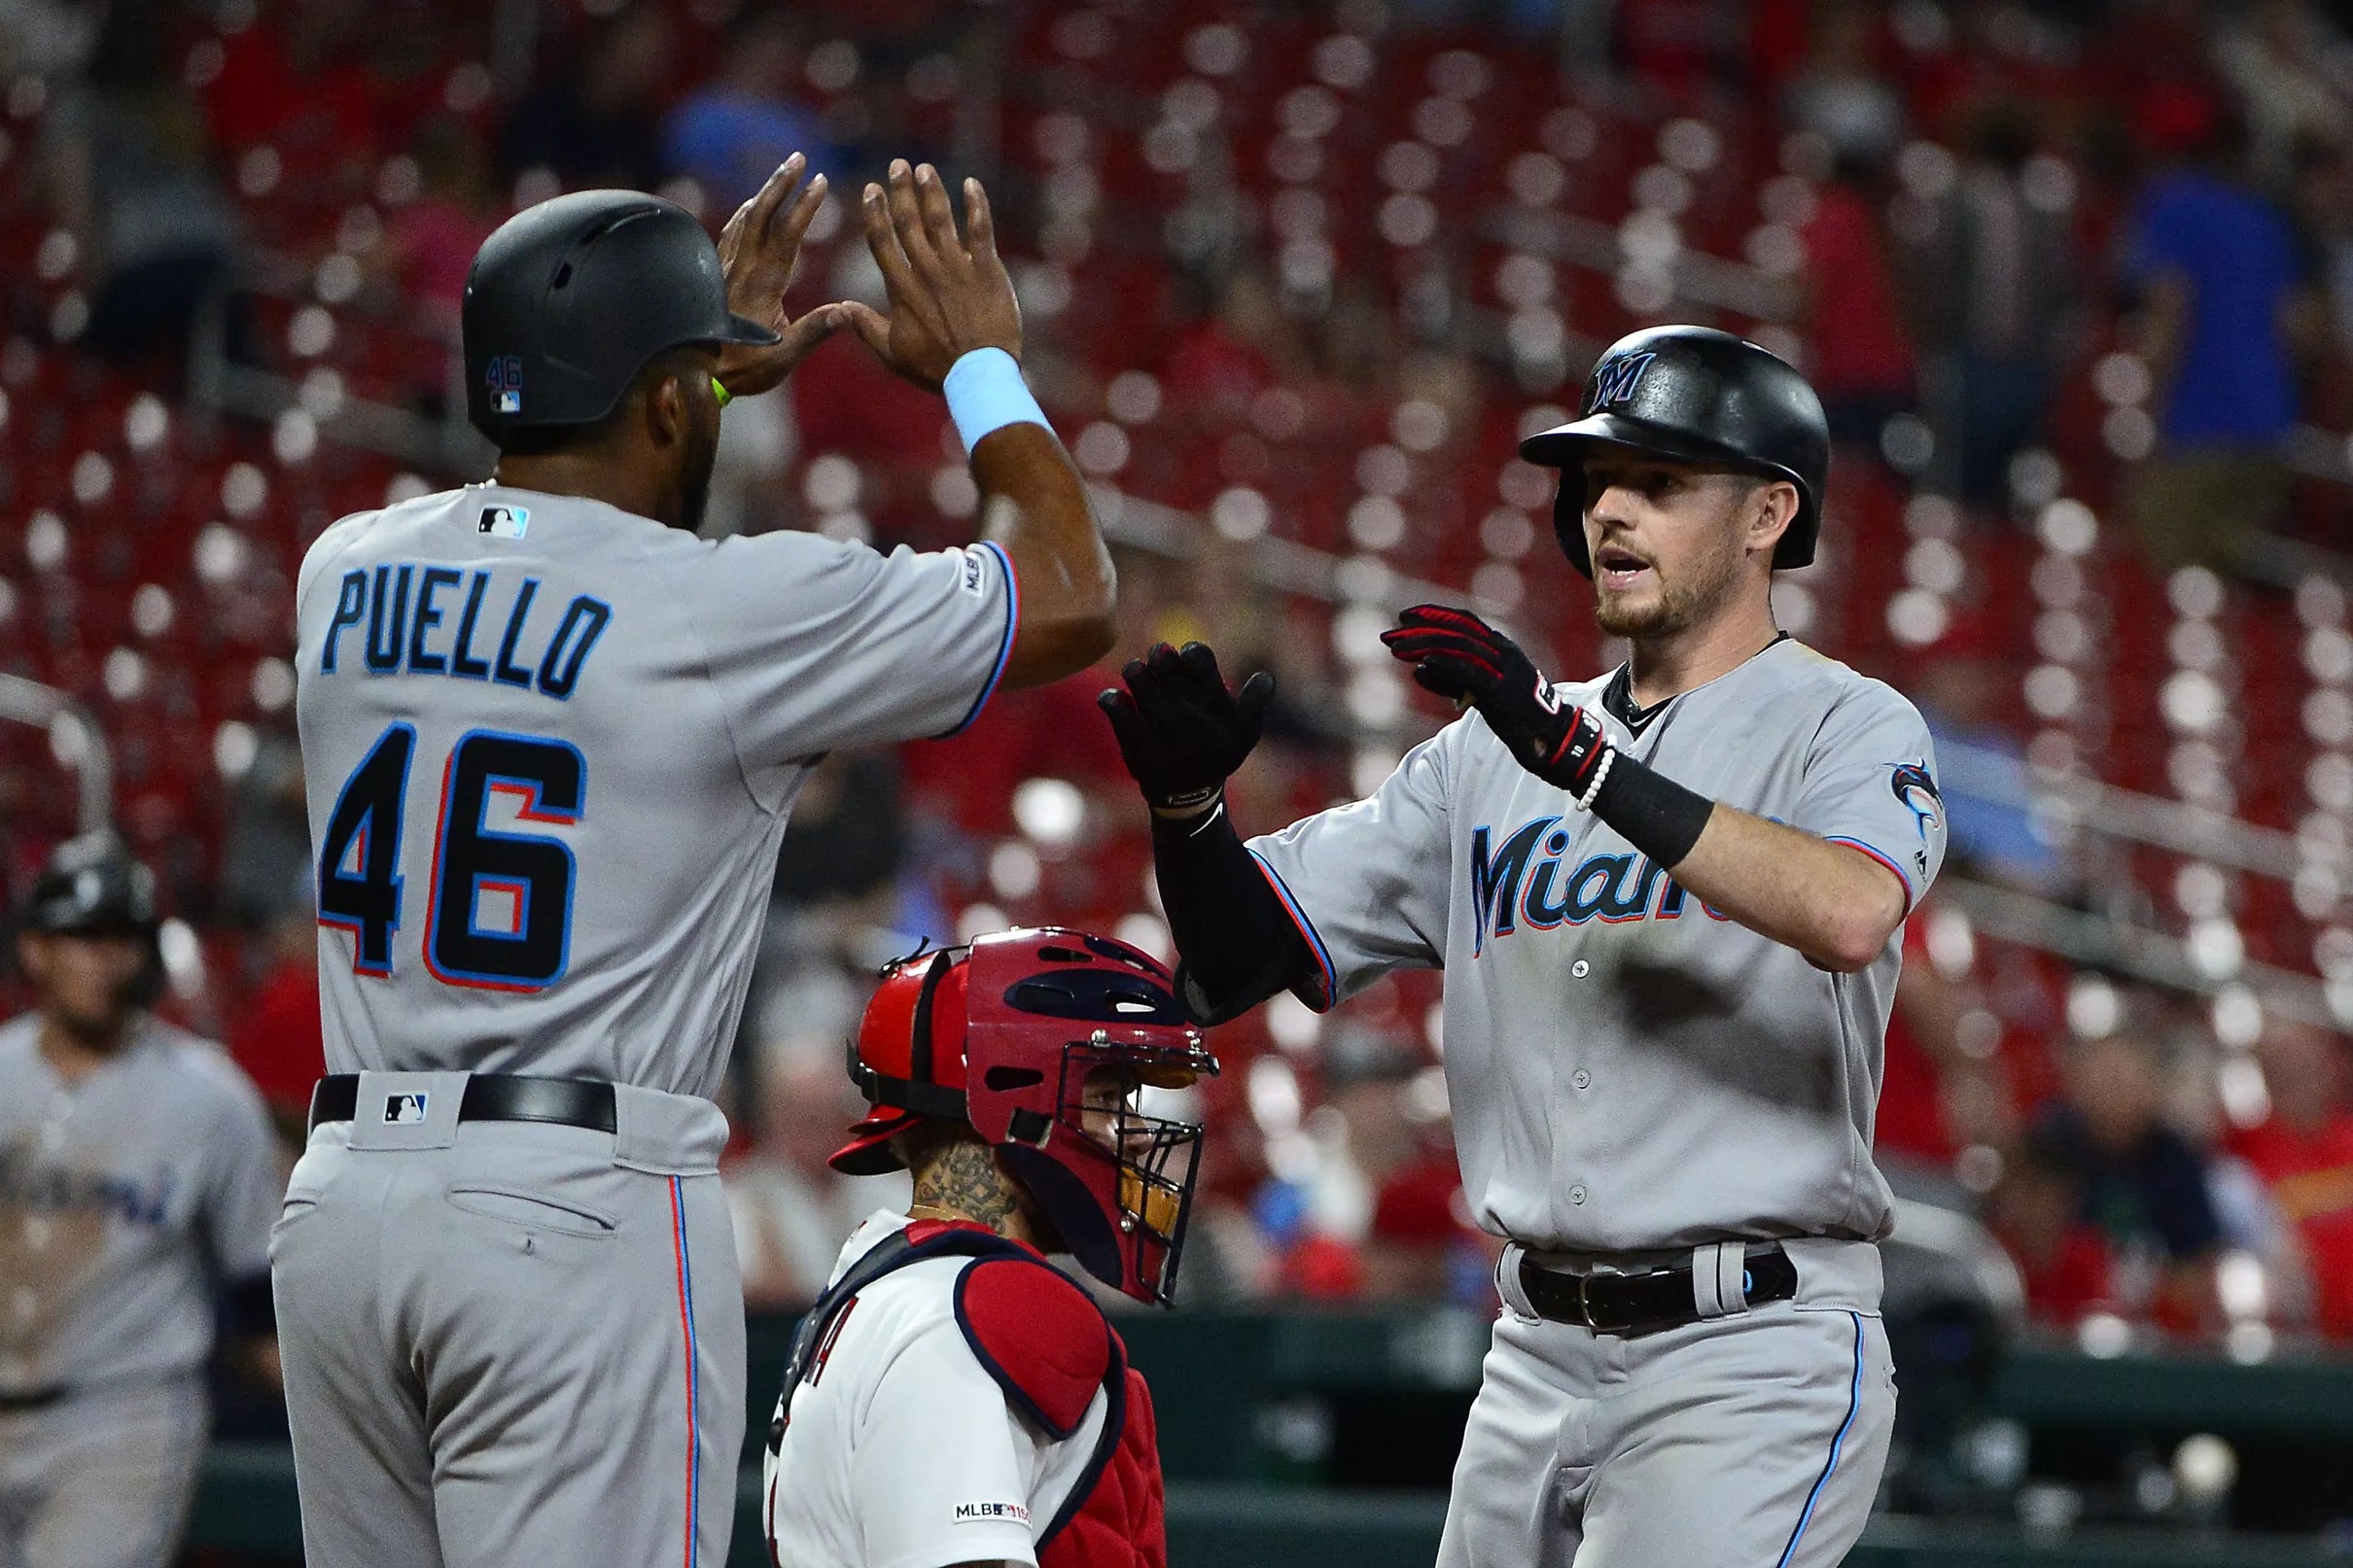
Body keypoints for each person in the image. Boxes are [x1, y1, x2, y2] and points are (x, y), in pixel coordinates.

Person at [272, 156, 1117, 1567]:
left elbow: (565, 554)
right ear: (672, 400)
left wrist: (688, 364)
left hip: (345, 1203)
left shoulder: (342, 568)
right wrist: (977, 364)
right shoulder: (730, 608)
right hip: (565, 1211)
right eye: (696, 383)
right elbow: (1075, 594)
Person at [1099, 325, 1948, 1568]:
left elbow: (1847, 908)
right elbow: (1239, 957)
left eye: (1659, 481)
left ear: (1769, 512)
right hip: (1531, 1346)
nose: (1608, 507)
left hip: (1747, 1346)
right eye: (1596, 480)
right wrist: (1187, 812)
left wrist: (1577, 759)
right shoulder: (1494, 751)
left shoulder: (1841, 720)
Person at [761, 928, 1214, 1568]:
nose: (1135, 1135)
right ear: (1011, 1103)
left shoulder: (887, 1281)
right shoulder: (964, 1314)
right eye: (1108, 1098)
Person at [0, 834, 282, 1568]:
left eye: (123, 938)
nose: (106, 959)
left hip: (120, 1420)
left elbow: (260, 1293)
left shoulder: (211, 1099)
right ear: (36, 950)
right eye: (84, 937)